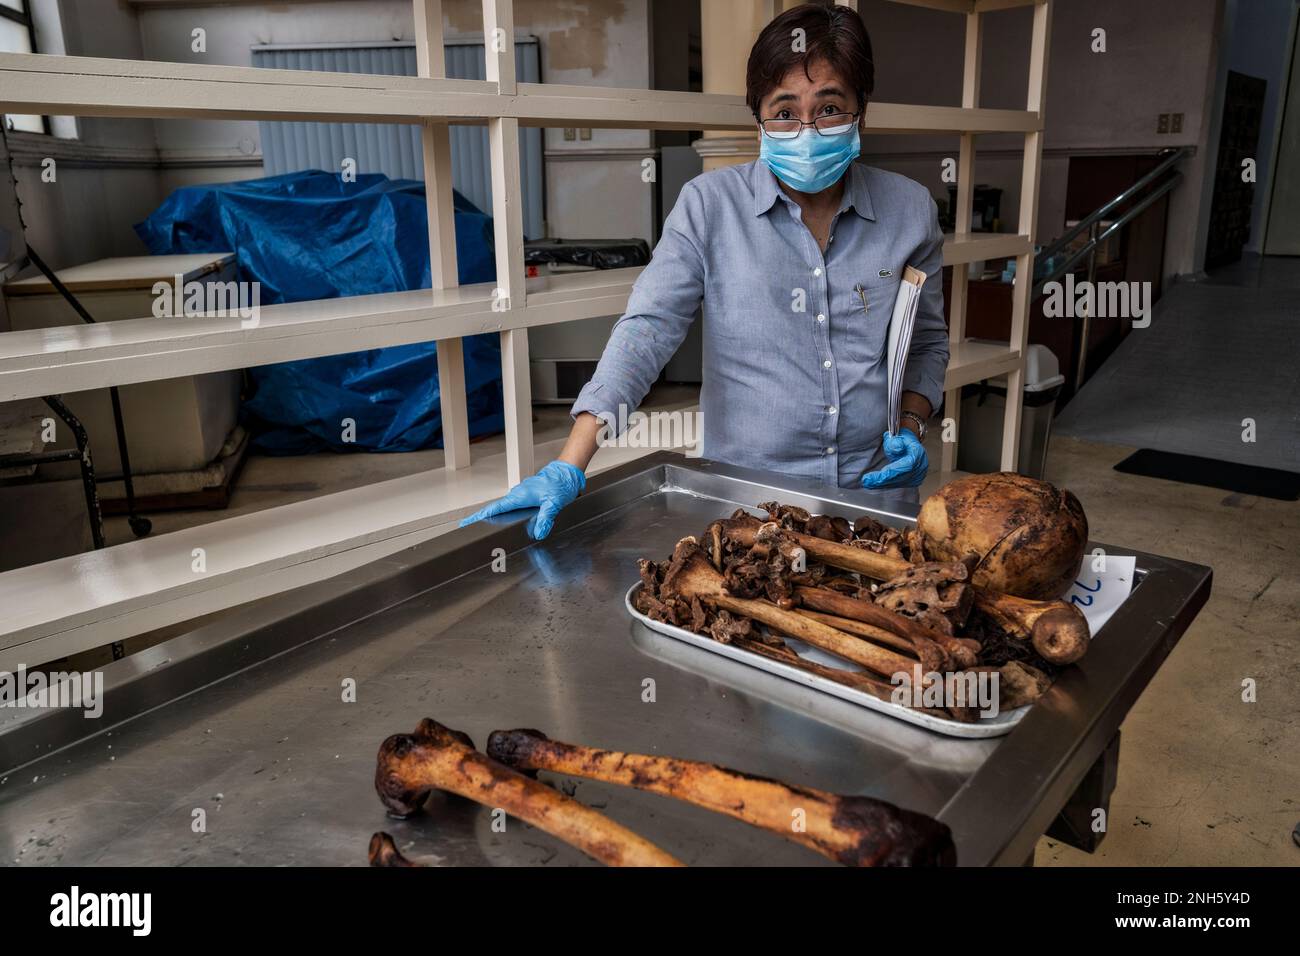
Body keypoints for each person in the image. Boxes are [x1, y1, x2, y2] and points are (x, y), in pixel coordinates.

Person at [464, 0, 948, 540]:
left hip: (874, 499)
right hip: (749, 508)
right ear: (758, 118)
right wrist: (570, 463)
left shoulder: (911, 211)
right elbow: (649, 329)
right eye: (784, 111)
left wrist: (911, 424)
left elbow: (926, 342)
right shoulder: (708, 206)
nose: (806, 128)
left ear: (862, 110)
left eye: (830, 107)